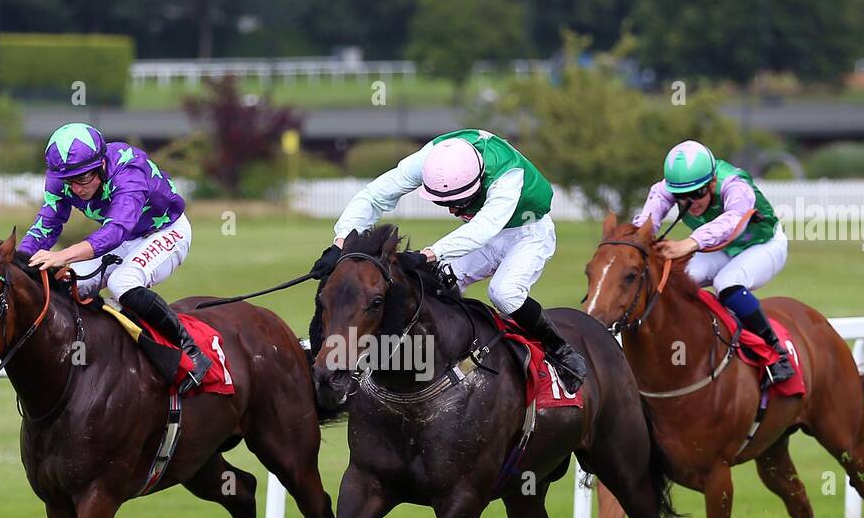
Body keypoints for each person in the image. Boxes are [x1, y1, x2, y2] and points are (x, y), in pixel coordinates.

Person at [308, 128, 586, 393]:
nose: (453, 210)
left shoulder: (506, 177)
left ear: (478, 183)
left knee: (505, 293)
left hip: (527, 232)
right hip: (483, 231)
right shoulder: (431, 158)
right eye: (443, 204)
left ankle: (560, 349)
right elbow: (374, 195)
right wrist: (341, 243)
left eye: (460, 202)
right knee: (434, 286)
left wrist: (427, 254)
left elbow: (484, 228)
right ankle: (418, 361)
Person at [21, 122, 210, 390]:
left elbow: (115, 231)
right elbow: (46, 225)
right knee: (69, 283)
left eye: (84, 177)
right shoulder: (62, 176)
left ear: (101, 164)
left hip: (167, 231)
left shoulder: (128, 170)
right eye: (69, 181)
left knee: (122, 283)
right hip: (127, 238)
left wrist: (63, 255)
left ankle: (191, 352)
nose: (76, 188)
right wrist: (16, 263)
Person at [634, 140, 795, 384]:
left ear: (711, 182)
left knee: (726, 283)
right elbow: (646, 222)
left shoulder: (734, 184)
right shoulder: (665, 189)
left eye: (697, 193)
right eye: (680, 197)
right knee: (676, 282)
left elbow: (732, 221)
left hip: (764, 245)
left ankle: (775, 352)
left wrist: (689, 243)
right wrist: (634, 243)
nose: (690, 202)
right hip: (721, 248)